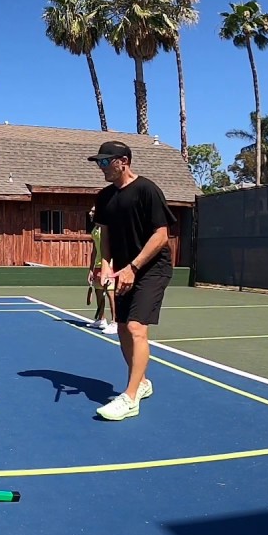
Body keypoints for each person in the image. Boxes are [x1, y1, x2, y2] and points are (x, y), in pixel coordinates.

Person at [87, 141, 175, 422]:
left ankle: (130, 397)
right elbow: (106, 237)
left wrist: (133, 267)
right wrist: (105, 266)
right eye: (98, 163)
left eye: (105, 162)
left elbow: (161, 235)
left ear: (123, 161)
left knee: (137, 327)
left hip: (152, 268)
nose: (101, 168)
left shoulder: (147, 190)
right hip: (123, 269)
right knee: (123, 327)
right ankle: (143, 382)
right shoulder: (103, 198)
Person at [86, 206, 118, 335]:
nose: (90, 213)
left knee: (110, 294)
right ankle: (101, 319)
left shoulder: (109, 229)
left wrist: (110, 267)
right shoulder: (94, 230)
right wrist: (91, 269)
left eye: (94, 211)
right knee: (99, 292)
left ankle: (115, 322)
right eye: (91, 211)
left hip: (109, 266)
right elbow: (94, 251)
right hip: (98, 266)